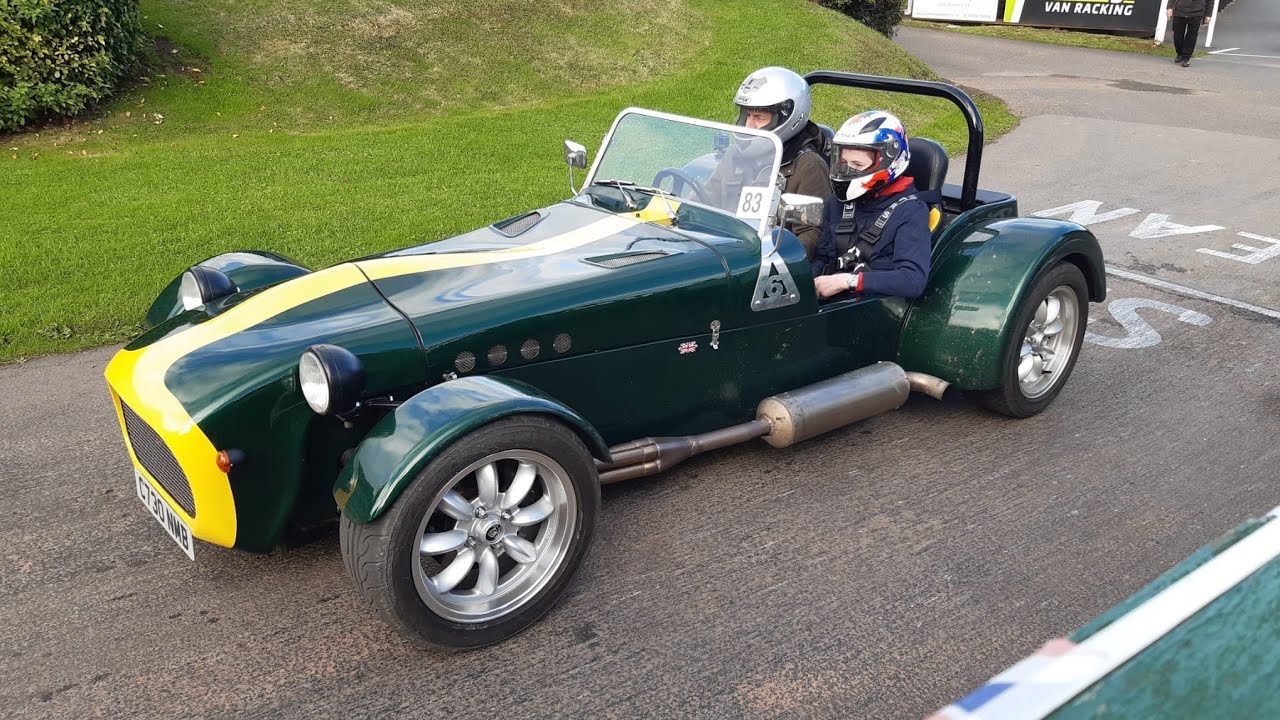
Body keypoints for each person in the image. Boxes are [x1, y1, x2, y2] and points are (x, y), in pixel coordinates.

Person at [703, 66, 831, 256]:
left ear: (786, 117)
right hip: (725, 251)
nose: (749, 125)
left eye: (759, 117)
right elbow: (704, 201)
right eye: (747, 116)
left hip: (766, 263)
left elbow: (811, 236)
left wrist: (770, 260)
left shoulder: (808, 167)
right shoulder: (734, 156)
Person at [810, 111, 931, 301]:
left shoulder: (911, 211)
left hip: (877, 307)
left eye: (857, 165)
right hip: (832, 303)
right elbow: (823, 257)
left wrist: (848, 281)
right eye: (844, 163)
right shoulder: (838, 202)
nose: (847, 170)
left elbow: (913, 279)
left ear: (887, 162)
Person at [1169, 0, 1213, 67]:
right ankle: (1180, 53)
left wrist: (1208, 14)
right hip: (1180, 11)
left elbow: (1210, 1)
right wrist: (1169, 8)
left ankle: (1186, 58)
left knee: (1191, 36)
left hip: (1197, 12)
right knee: (1177, 35)